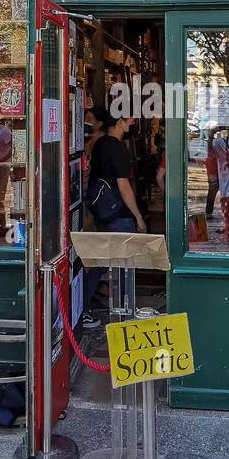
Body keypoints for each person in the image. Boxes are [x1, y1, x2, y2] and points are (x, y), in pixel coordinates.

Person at [80, 111, 144, 326]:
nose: (135, 123)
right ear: (120, 122)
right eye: (131, 119)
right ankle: (124, 312)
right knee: (124, 264)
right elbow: (124, 186)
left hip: (102, 211)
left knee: (101, 261)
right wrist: (139, 217)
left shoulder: (99, 144)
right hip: (119, 212)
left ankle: (85, 306)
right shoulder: (117, 148)